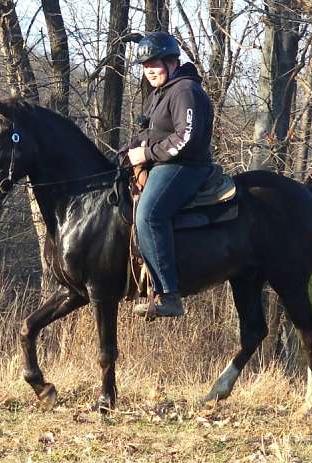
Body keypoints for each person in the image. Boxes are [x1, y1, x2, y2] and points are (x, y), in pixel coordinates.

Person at [127, 31, 214, 317]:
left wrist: (147, 154)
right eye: (145, 65)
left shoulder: (184, 90)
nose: (149, 70)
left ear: (172, 61)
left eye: (154, 63)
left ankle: (168, 294)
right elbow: (148, 134)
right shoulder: (159, 94)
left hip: (186, 166)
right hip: (162, 162)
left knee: (149, 214)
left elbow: (186, 138)